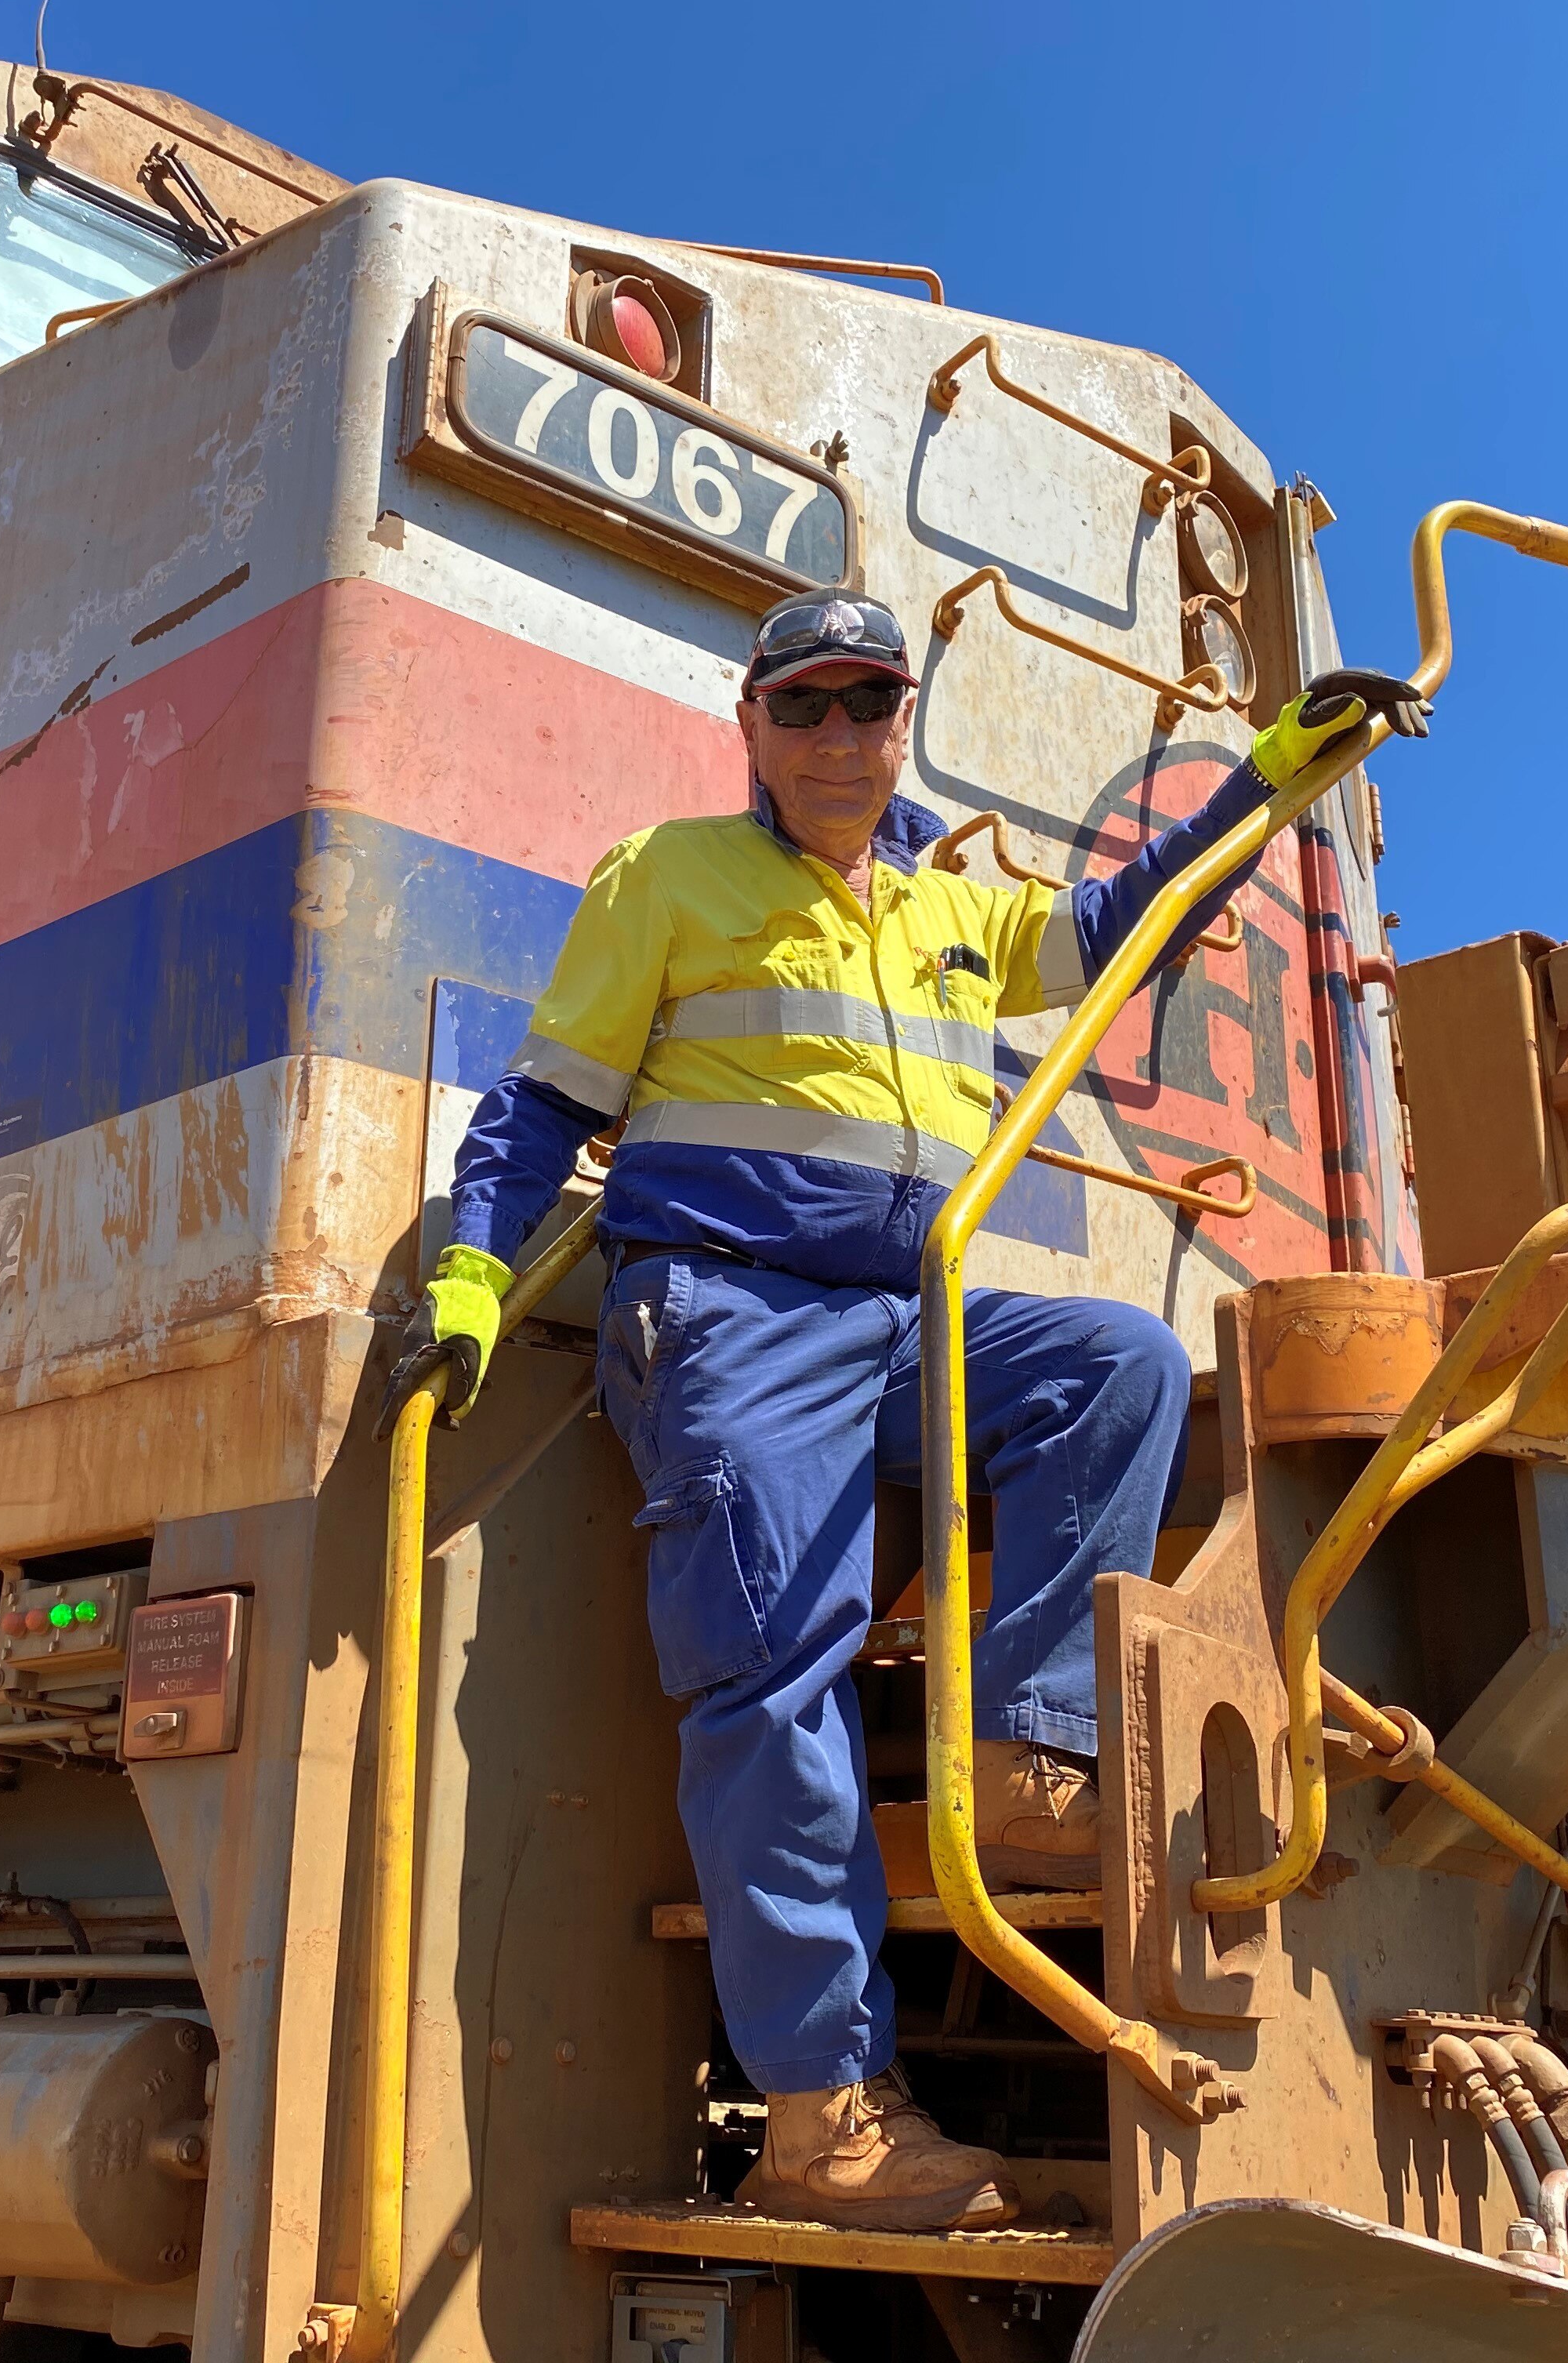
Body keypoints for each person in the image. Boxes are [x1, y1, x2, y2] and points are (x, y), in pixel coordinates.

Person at [405, 587, 1427, 2231]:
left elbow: (1125, 924)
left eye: (864, 703)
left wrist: (1268, 784)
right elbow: (544, 1108)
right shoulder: (669, 876)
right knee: (767, 1683)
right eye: (798, 703)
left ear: (902, 724)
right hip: (731, 1311)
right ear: (751, 727)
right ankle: (824, 2116)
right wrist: (469, 1273)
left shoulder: (949, 914)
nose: (833, 735)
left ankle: (1032, 1754)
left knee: (1117, 1365)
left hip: (906, 1320)